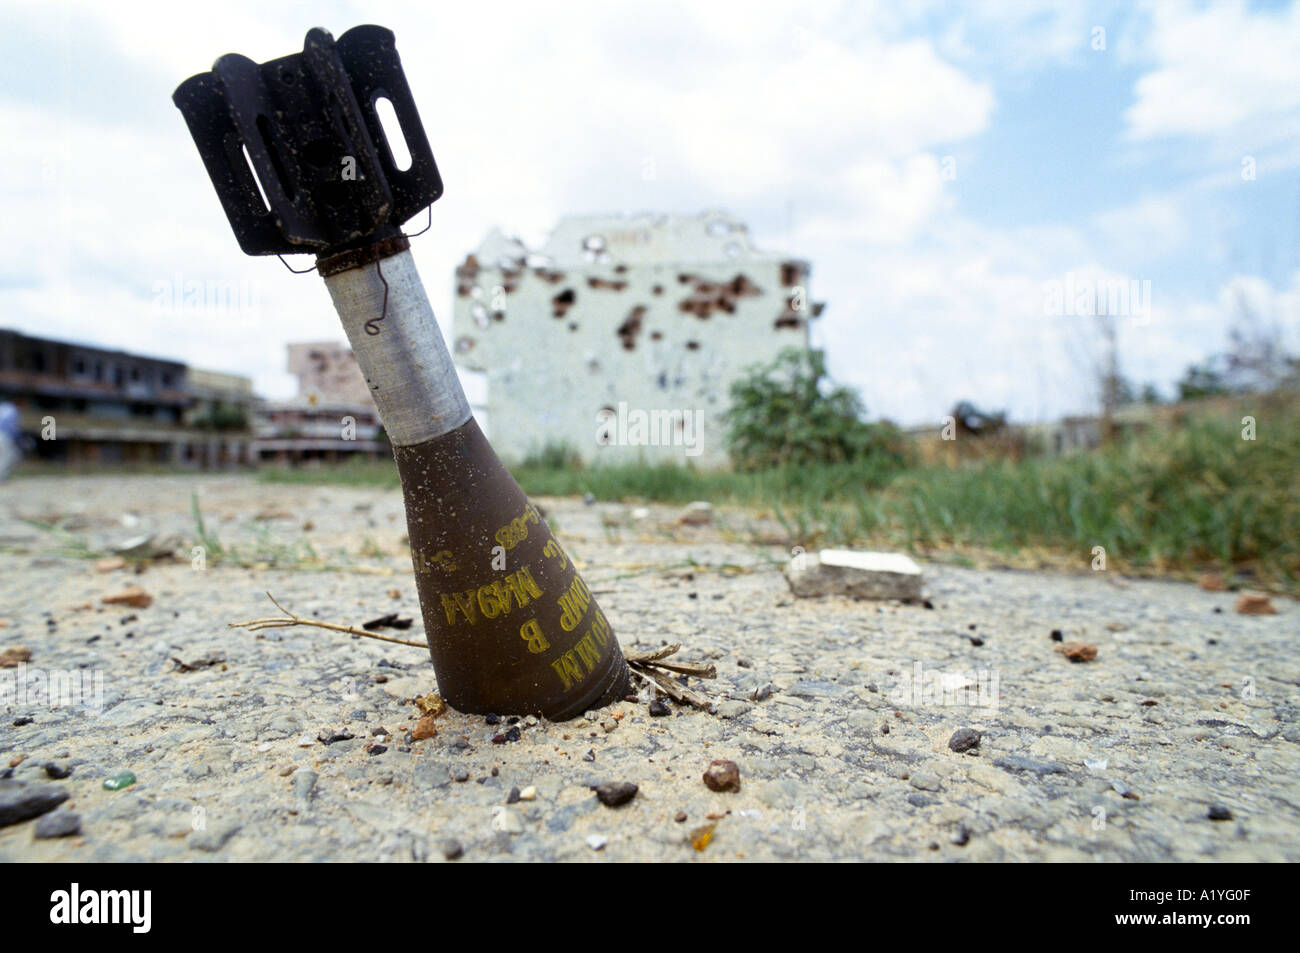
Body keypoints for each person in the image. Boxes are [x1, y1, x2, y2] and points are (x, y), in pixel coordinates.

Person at [0, 402, 22, 480]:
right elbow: (12, 427)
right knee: (7, 456)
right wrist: (18, 437)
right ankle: (1, 476)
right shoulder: (13, 410)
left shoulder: (2, 406)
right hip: (4, 435)